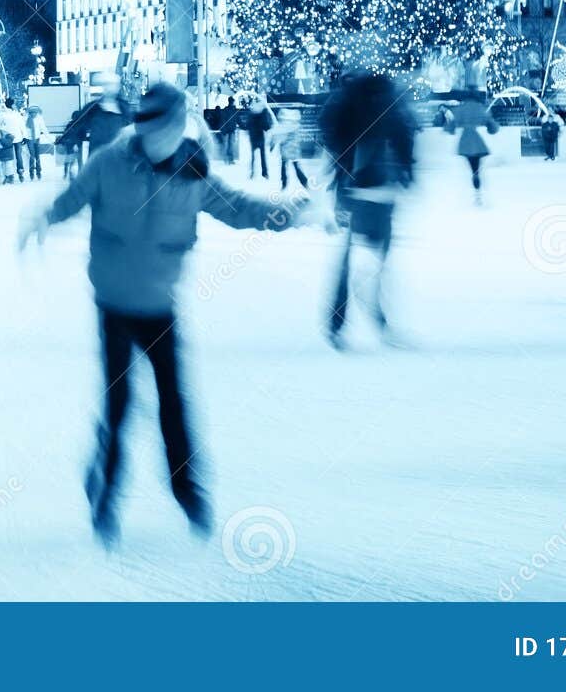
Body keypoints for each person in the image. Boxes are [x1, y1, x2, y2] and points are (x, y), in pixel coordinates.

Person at [21, 83, 307, 546]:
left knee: (174, 401)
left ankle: (186, 488)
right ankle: (104, 489)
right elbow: (72, 197)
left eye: (167, 130)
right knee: (119, 405)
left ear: (179, 128)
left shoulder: (193, 174)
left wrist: (291, 214)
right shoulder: (110, 165)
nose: (158, 139)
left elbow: (240, 210)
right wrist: (43, 217)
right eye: (149, 130)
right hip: (113, 301)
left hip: (160, 305)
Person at [320, 72, 415, 350]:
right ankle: (377, 313)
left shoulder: (343, 103)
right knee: (378, 258)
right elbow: (405, 137)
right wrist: (408, 173)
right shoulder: (390, 102)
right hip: (383, 191)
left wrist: (340, 167)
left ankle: (337, 323)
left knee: (348, 257)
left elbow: (330, 135)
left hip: (352, 189)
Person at [58, 81, 131, 170]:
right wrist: (63, 140)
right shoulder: (93, 108)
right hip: (97, 154)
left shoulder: (124, 109)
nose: (109, 89)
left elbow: (134, 128)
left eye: (112, 86)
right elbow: (76, 124)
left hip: (118, 155)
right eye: (106, 86)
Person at [447, 85, 498, 204]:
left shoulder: (460, 108)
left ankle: (477, 190)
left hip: (465, 142)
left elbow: (451, 126)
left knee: (473, 167)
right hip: (477, 142)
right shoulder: (480, 108)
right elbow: (492, 126)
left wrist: (450, 128)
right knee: (476, 168)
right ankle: (477, 191)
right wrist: (492, 128)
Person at [0, 98, 28, 184]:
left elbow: (22, 125)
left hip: (15, 138)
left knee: (15, 156)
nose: (15, 105)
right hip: (8, 139)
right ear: (11, 104)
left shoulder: (15, 114)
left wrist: (24, 136)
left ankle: (18, 173)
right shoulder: (3, 114)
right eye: (14, 103)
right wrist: (0, 137)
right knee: (11, 157)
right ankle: (10, 175)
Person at [245, 93, 275, 179]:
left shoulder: (251, 111)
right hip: (260, 135)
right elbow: (265, 124)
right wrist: (268, 128)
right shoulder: (263, 111)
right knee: (262, 155)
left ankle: (252, 172)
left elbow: (247, 124)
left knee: (253, 156)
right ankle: (265, 173)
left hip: (253, 136)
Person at [24, 105, 49, 180]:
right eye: (31, 113)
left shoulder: (40, 119)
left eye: (35, 112)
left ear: (37, 113)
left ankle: (38, 172)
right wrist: (24, 138)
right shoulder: (26, 119)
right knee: (32, 155)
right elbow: (23, 129)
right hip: (29, 139)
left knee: (37, 156)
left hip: (37, 139)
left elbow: (44, 128)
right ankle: (31, 172)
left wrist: (50, 138)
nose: (33, 114)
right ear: (29, 113)